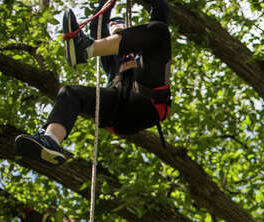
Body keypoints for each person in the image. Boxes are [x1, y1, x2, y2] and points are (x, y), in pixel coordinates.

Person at [14, 0, 172, 166]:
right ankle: (50, 140)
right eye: (112, 24)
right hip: (119, 111)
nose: (115, 25)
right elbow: (98, 23)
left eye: (119, 22)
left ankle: (86, 49)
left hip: (148, 102)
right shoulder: (111, 59)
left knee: (159, 31)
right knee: (70, 93)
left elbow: (160, 7)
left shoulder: (145, 50)